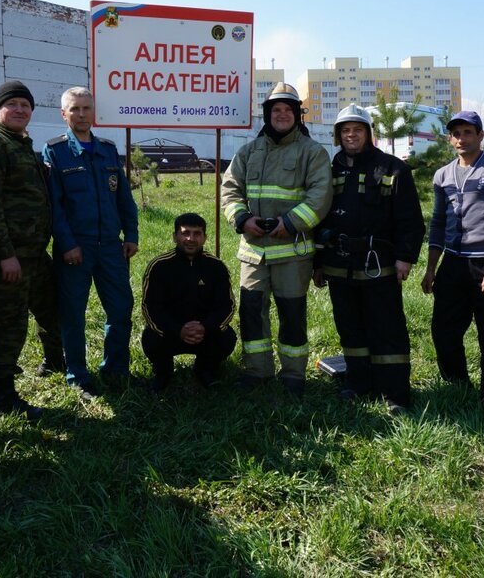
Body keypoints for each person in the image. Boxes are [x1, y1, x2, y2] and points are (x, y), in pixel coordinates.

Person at [220, 82, 333, 397]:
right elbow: (230, 188)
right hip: (253, 252)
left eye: (288, 109)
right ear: (268, 115)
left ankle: (293, 374)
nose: (282, 115)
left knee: (292, 316)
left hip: (293, 253)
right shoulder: (249, 151)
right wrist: (242, 219)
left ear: (297, 115)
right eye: (276, 110)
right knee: (252, 313)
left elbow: (320, 196)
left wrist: (292, 222)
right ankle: (257, 371)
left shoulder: (312, 152)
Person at [312, 104, 424, 413]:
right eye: (345, 130)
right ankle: (358, 384)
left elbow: (410, 219)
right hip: (338, 264)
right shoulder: (329, 170)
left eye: (357, 129)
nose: (351, 135)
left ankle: (395, 394)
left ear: (368, 133)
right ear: (338, 135)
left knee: (387, 328)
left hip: (379, 264)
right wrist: (318, 263)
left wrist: (405, 258)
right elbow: (317, 219)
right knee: (350, 328)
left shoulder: (392, 168)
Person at [0, 81, 60, 419]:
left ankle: (55, 361)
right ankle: (4, 394)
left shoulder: (18, 143)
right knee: (9, 321)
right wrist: (5, 254)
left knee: (49, 305)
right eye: (12, 104)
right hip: (6, 255)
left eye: (26, 105)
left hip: (32, 251)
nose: (20, 110)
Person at [42, 87, 139, 399]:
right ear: (64, 114)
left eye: (86, 108)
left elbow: (124, 197)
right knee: (73, 313)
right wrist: (67, 244)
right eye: (75, 109)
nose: (81, 115)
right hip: (76, 249)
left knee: (121, 308)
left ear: (93, 112)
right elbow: (54, 207)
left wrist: (132, 235)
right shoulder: (55, 151)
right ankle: (77, 375)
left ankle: (115, 368)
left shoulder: (108, 150)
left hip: (111, 246)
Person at [421, 110, 484, 409]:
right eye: (456, 133)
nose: (461, 138)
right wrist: (430, 267)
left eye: (468, 132)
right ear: (450, 139)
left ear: (480, 135)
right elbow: (438, 222)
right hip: (452, 262)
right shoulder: (443, 174)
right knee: (443, 329)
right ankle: (457, 385)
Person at [141, 213, 237, 391]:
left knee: (227, 337)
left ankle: (205, 369)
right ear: (175, 236)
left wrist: (205, 327)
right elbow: (150, 307)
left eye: (197, 233)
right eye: (185, 233)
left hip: (204, 333)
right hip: (172, 332)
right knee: (150, 337)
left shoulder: (216, 267)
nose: (191, 239)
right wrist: (179, 329)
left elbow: (227, 306)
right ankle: (163, 372)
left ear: (205, 237)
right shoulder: (159, 266)